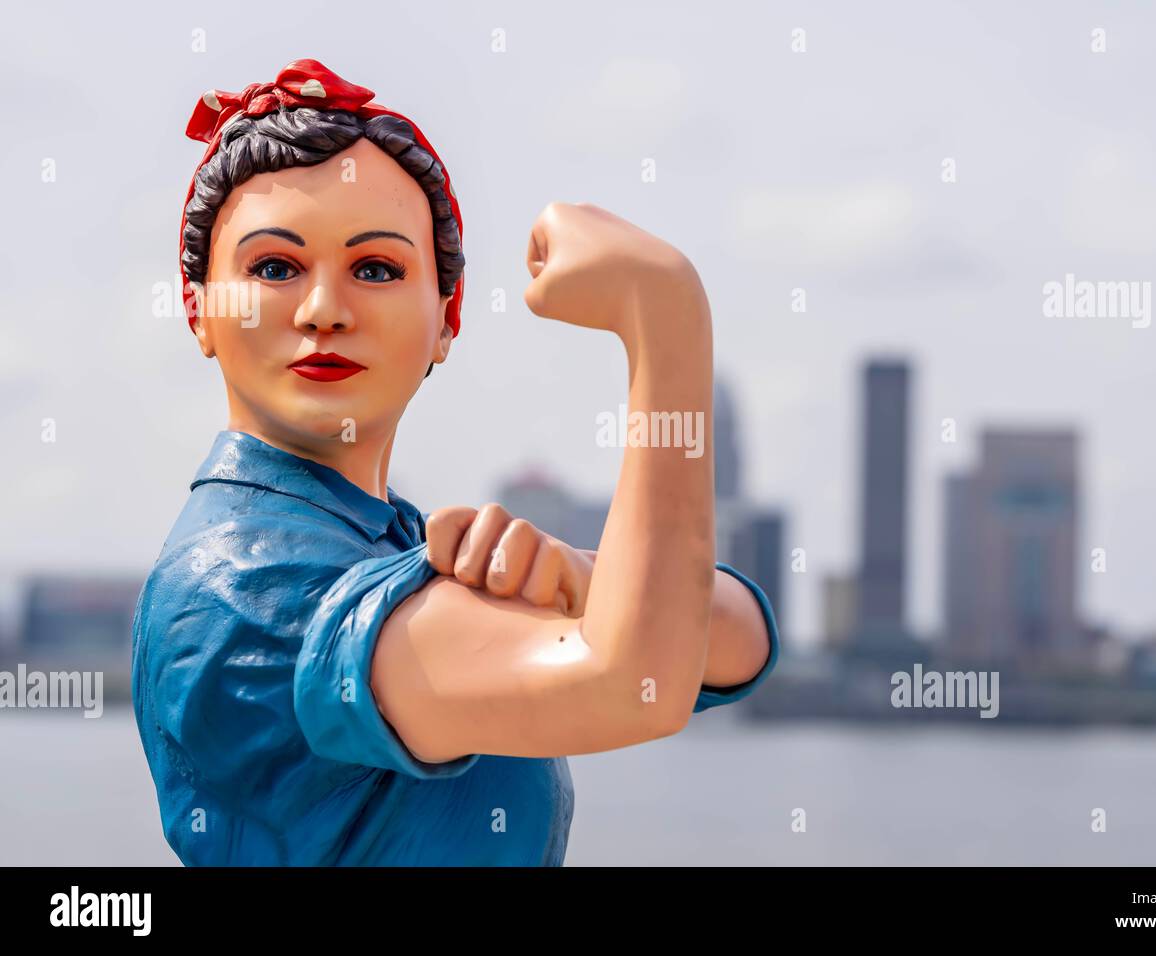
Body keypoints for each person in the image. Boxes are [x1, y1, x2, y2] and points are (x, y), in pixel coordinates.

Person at [131, 59, 780, 866]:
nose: (325, 310)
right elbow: (633, 683)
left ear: (447, 319)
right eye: (274, 267)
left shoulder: (383, 541)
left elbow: (735, 645)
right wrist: (665, 316)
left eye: (375, 268)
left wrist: (577, 574)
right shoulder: (245, 586)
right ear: (200, 311)